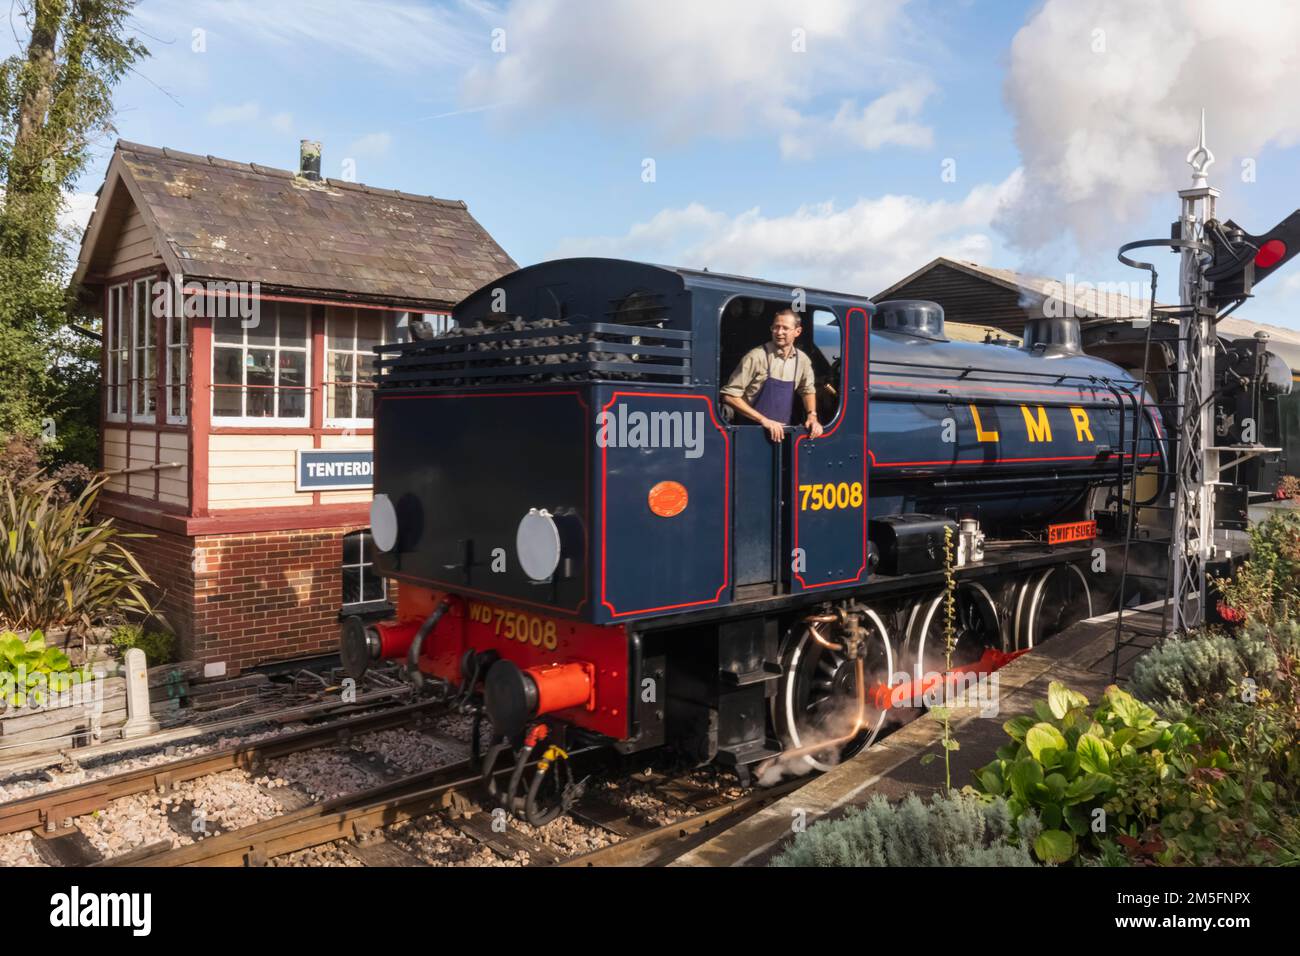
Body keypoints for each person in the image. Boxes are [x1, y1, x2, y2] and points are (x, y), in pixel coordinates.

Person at [720, 308, 822, 441]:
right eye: (775, 327)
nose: (779, 332)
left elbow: (807, 390)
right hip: (751, 433)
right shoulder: (755, 357)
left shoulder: (802, 360)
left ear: (798, 331)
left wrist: (812, 416)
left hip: (783, 433)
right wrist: (764, 420)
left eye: (785, 328)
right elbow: (730, 396)